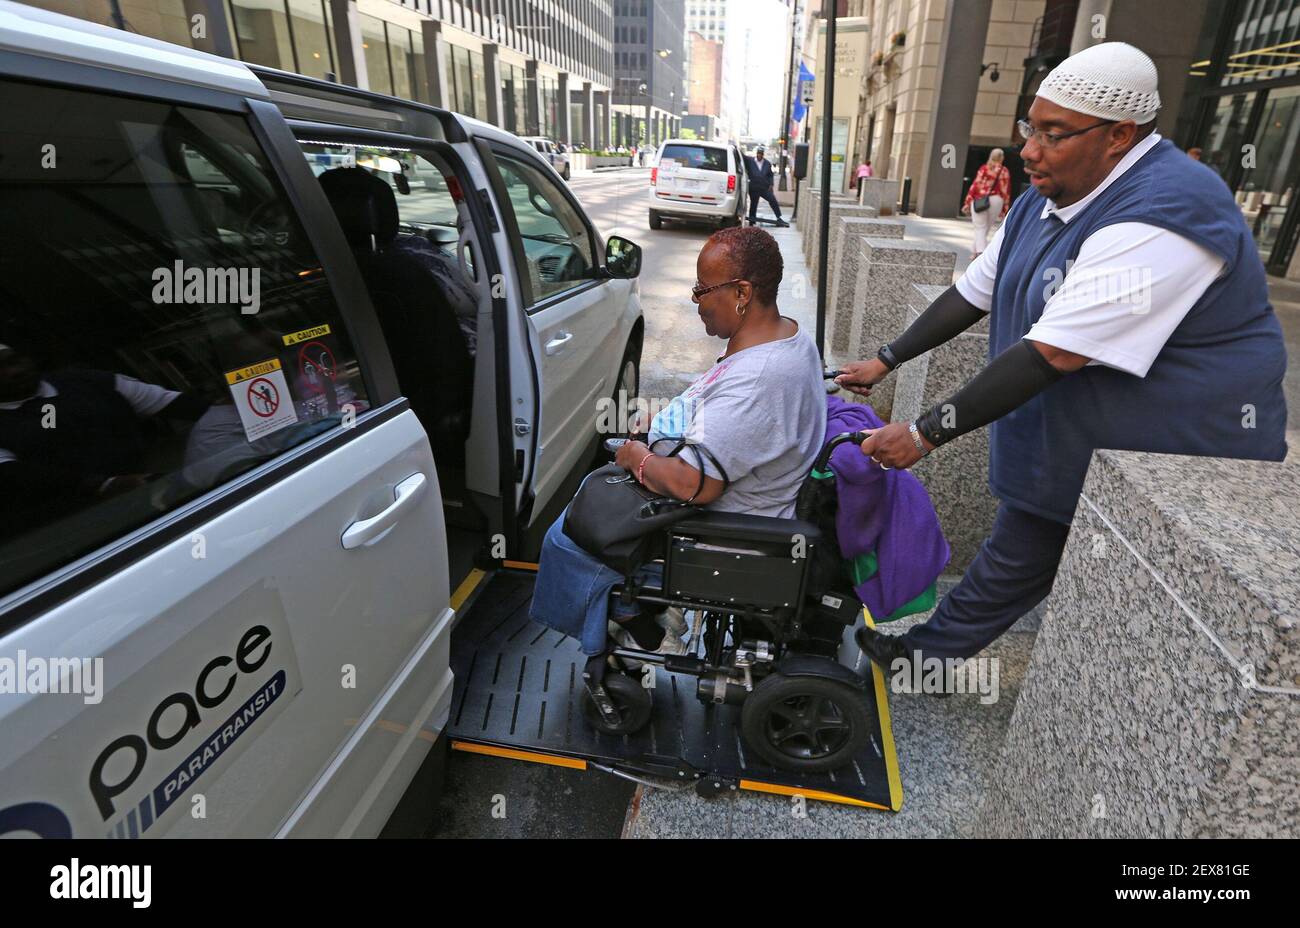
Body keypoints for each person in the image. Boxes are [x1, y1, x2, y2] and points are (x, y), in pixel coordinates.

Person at [833, 42, 1288, 676]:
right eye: (1029, 127)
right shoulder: (1044, 198)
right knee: (1026, 541)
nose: (1029, 149)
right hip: (1087, 437)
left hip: (1176, 453)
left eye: (1053, 134)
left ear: (1119, 136)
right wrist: (887, 359)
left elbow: (1053, 352)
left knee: (1130, 602)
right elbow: (973, 293)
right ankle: (927, 660)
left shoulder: (1167, 212)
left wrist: (923, 432)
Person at [530, 226, 824, 654]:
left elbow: (693, 486)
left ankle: (633, 623)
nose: (695, 300)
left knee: (567, 534)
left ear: (742, 291)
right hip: (733, 491)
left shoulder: (760, 379)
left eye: (704, 289)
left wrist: (638, 459)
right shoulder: (785, 334)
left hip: (720, 529)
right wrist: (666, 422)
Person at [962, 148, 1011, 257]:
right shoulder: (1004, 171)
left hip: (980, 199)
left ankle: (981, 252)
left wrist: (968, 201)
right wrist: (1005, 208)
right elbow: (1006, 190)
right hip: (997, 200)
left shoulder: (984, 169)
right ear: (1002, 158)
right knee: (985, 227)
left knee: (980, 227)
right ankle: (974, 252)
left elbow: (975, 185)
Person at [744, 145, 788, 227]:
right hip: (754, 187)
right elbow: (742, 157)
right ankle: (752, 220)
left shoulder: (767, 164)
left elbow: (770, 175)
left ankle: (779, 217)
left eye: (761, 154)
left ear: (763, 154)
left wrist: (771, 184)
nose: (759, 155)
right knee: (754, 204)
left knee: (772, 200)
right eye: (758, 153)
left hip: (764, 188)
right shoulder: (750, 161)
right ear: (756, 154)